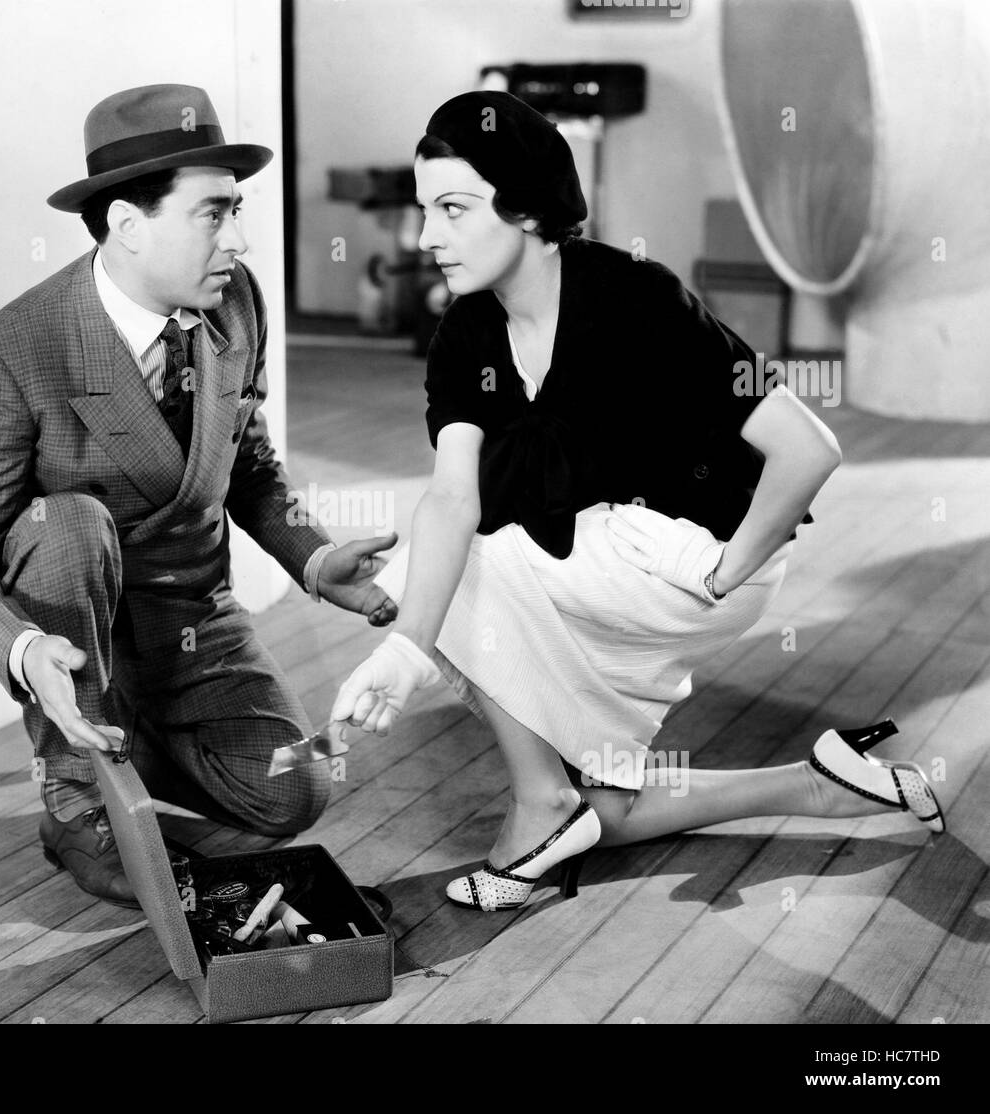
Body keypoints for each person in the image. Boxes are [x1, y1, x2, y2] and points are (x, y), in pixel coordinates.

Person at [331, 90, 945, 913]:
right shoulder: (466, 333)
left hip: (698, 555)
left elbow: (808, 449)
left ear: (523, 209)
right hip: (603, 543)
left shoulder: (632, 298)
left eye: (452, 208)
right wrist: (405, 653)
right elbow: (449, 497)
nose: (427, 237)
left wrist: (729, 572)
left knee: (442, 574)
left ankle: (540, 806)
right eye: (423, 211)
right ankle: (822, 786)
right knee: (605, 810)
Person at [0, 84, 396, 908]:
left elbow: (249, 468)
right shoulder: (11, 354)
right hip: (76, 631)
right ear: (128, 226)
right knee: (61, 522)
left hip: (191, 618)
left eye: (236, 210)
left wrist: (316, 557)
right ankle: (75, 798)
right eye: (214, 215)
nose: (240, 240)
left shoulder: (236, 304)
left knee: (293, 793)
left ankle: (129, 743)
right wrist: (28, 653)